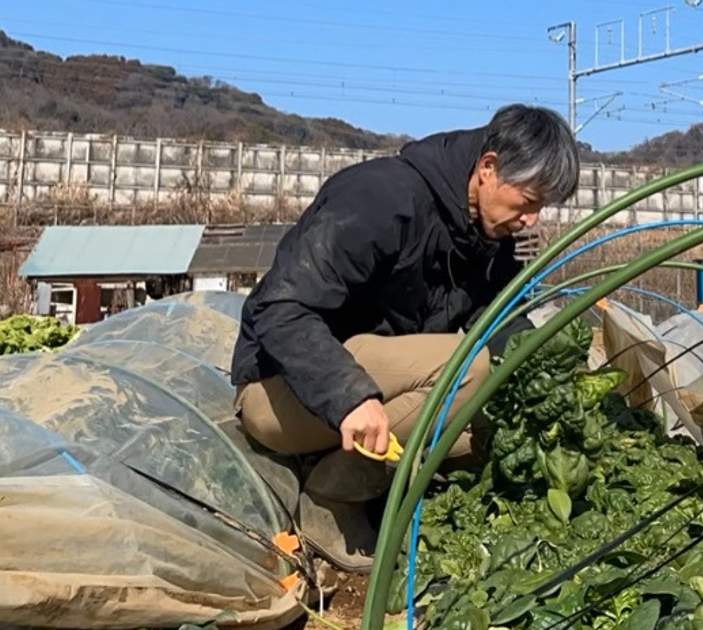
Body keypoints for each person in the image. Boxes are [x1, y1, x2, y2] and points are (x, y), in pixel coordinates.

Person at [229, 104, 580, 572]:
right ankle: (330, 496)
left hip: (366, 389)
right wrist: (347, 396)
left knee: (494, 418)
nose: (532, 220)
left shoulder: (484, 237)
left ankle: (357, 478)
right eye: (529, 201)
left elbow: (503, 325)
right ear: (488, 168)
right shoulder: (381, 199)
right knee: (468, 367)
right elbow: (281, 309)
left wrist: (557, 382)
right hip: (278, 391)